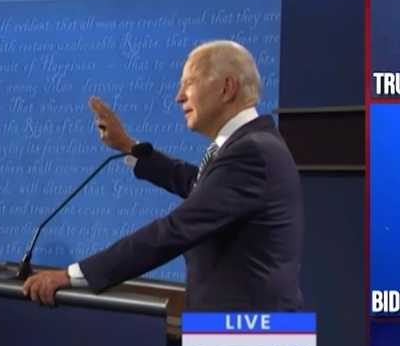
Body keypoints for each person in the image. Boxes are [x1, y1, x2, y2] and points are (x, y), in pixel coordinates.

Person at [21, 40, 304, 310]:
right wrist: (128, 147)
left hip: (249, 336)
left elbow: (175, 229)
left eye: (188, 83)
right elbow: (198, 185)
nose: (178, 96)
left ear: (226, 88)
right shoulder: (252, 144)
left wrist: (73, 275)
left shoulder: (250, 153)